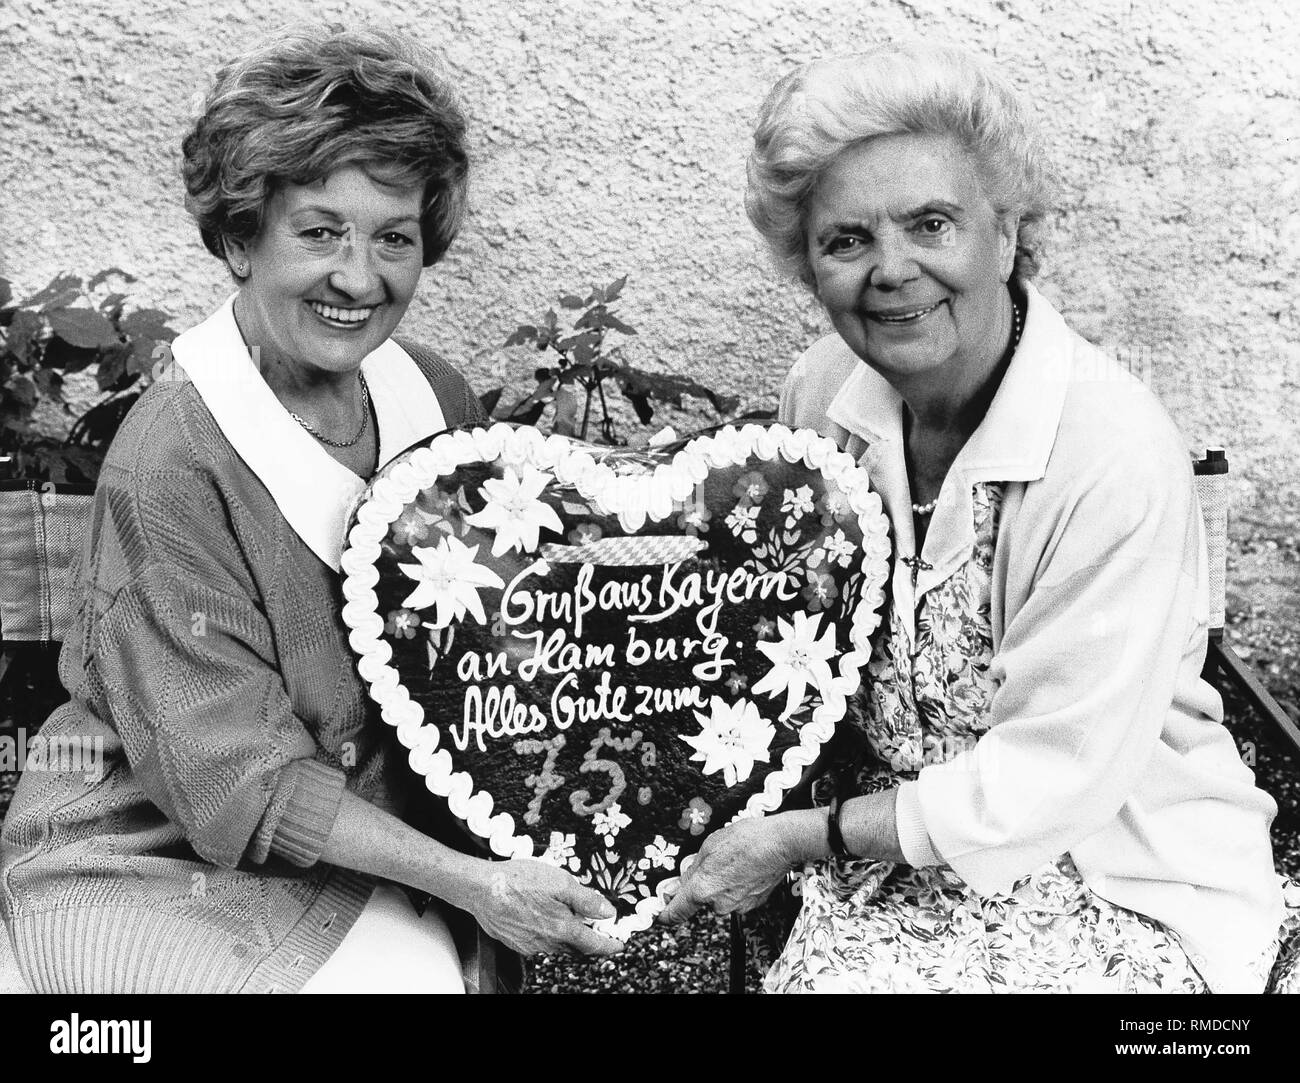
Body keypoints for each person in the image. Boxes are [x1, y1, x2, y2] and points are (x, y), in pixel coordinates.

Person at [659, 41, 1293, 993]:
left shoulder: (1108, 451)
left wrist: (801, 838)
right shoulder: (822, 391)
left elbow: (1051, 776)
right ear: (807, 265)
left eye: (931, 224)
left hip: (1112, 862)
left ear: (1006, 234)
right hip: (891, 861)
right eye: (846, 240)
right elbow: (784, 630)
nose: (892, 270)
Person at [0, 25, 620, 994]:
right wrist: (473, 882)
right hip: (162, 855)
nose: (359, 278)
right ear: (243, 236)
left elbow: (489, 666)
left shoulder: (433, 400)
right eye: (320, 230)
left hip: (383, 841)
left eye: (393, 238)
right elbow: (228, 772)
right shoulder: (174, 454)